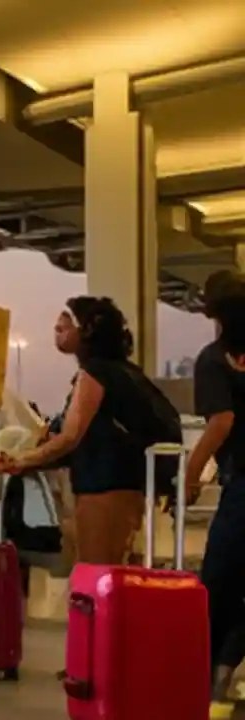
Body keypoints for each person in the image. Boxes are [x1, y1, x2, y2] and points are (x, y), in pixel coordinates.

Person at [0, 297, 145, 565]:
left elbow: (71, 437)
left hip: (104, 488)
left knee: (96, 573)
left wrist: (21, 460)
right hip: (120, 486)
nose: (57, 328)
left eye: (66, 323)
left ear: (87, 330)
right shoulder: (123, 371)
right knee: (112, 572)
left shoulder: (94, 374)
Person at [183, 273, 245, 717]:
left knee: (219, 582)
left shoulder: (214, 358)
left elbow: (222, 421)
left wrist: (190, 475)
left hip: (244, 486)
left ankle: (208, 681)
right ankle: (225, 672)